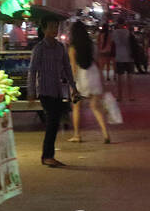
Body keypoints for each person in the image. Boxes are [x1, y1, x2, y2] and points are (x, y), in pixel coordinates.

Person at [28, 17, 79, 167]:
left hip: (57, 91)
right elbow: (32, 71)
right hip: (44, 90)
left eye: (56, 27)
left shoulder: (60, 48)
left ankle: (48, 156)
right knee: (52, 123)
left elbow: (67, 68)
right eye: (51, 27)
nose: (54, 30)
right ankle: (47, 156)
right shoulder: (39, 49)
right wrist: (31, 92)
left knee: (54, 123)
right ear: (44, 29)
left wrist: (73, 87)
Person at [68, 20, 111, 144]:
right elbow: (97, 62)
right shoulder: (92, 45)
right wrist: (102, 80)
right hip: (93, 75)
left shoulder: (72, 47)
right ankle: (105, 134)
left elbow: (73, 67)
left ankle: (77, 135)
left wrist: (73, 85)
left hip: (81, 78)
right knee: (95, 107)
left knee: (76, 107)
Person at [110, 23, 137, 100]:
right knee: (130, 78)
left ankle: (119, 96)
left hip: (119, 57)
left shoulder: (114, 33)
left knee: (119, 78)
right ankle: (130, 96)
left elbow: (112, 44)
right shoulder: (128, 32)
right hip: (129, 57)